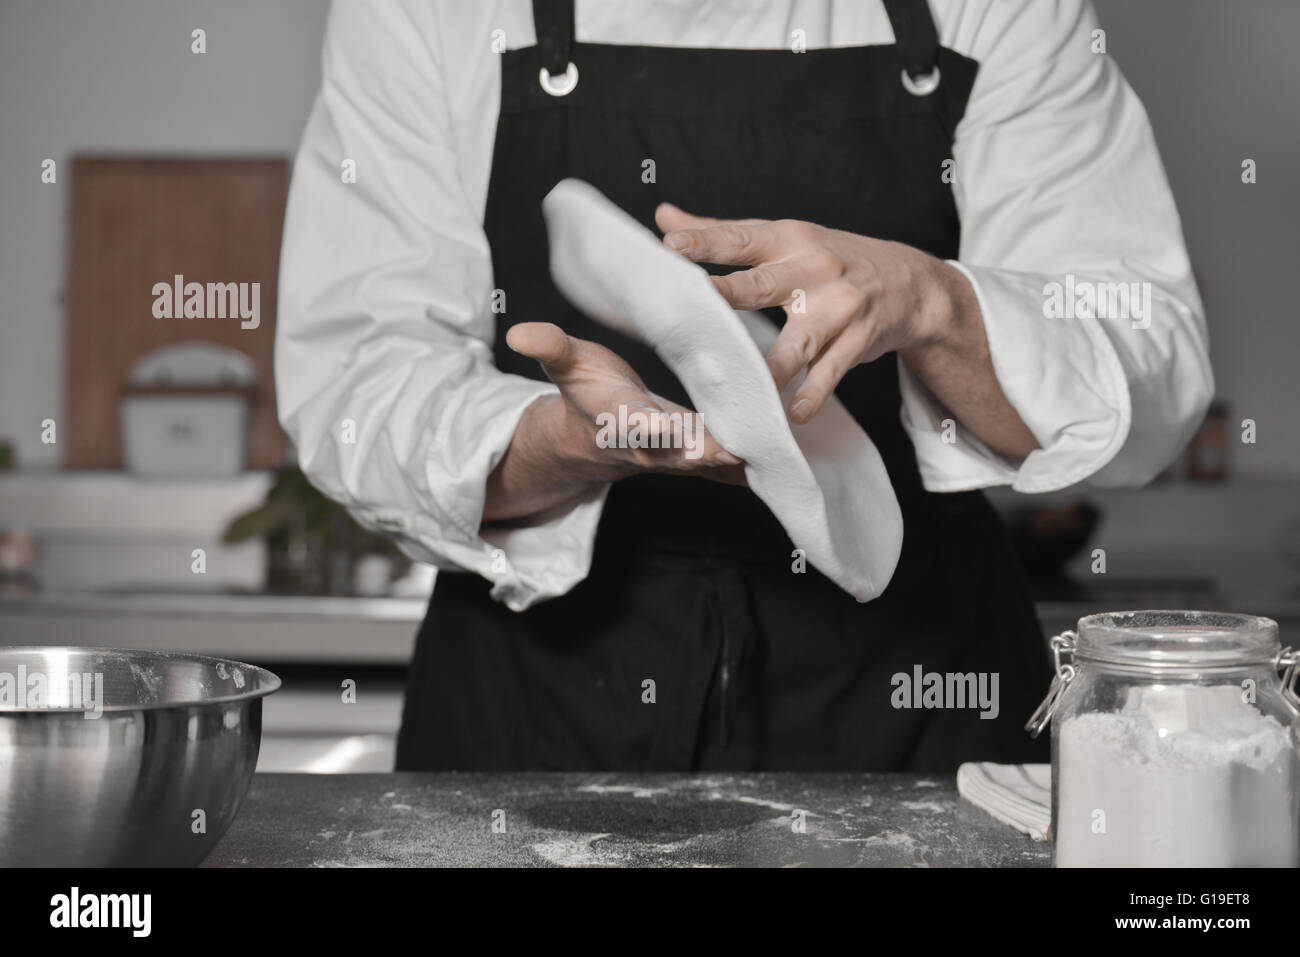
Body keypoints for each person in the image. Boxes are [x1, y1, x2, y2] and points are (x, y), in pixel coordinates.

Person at [276, 0, 1212, 772]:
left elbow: (1147, 365)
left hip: (920, 696)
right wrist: (566, 441)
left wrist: (932, 302)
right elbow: (358, 381)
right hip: (539, 700)